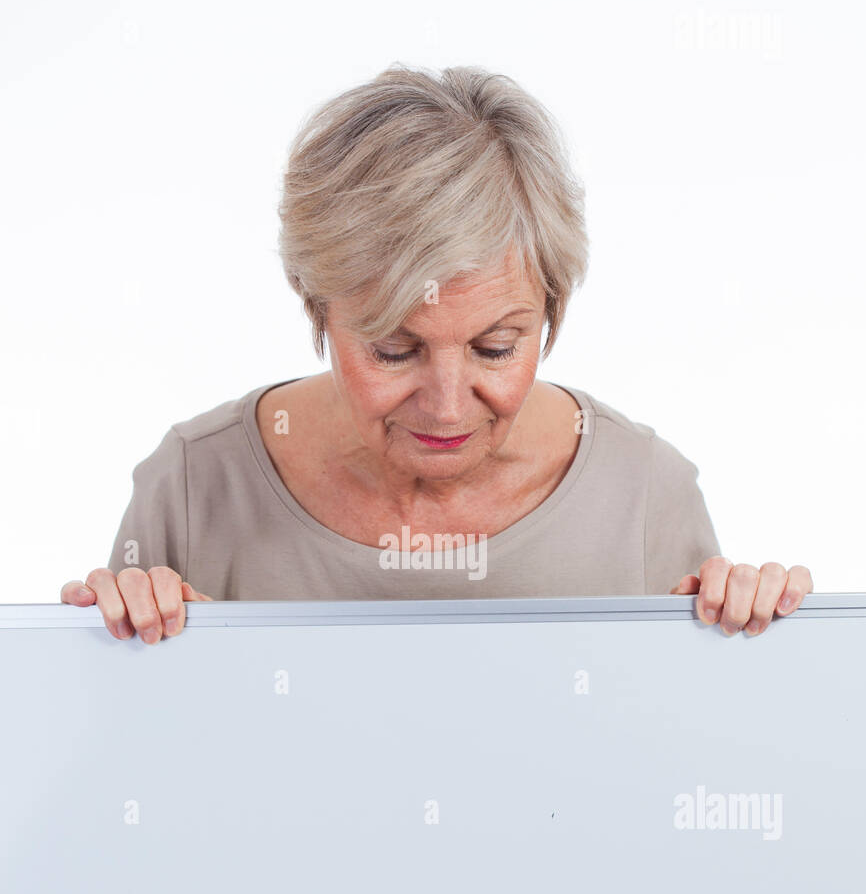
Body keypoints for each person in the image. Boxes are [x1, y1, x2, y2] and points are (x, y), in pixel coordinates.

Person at [61, 63, 812, 641]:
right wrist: (116, 647)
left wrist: (751, 640)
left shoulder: (645, 494)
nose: (448, 405)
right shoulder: (195, 487)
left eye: (495, 347)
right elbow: (126, 792)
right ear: (316, 307)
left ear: (551, 309)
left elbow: (681, 776)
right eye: (394, 351)